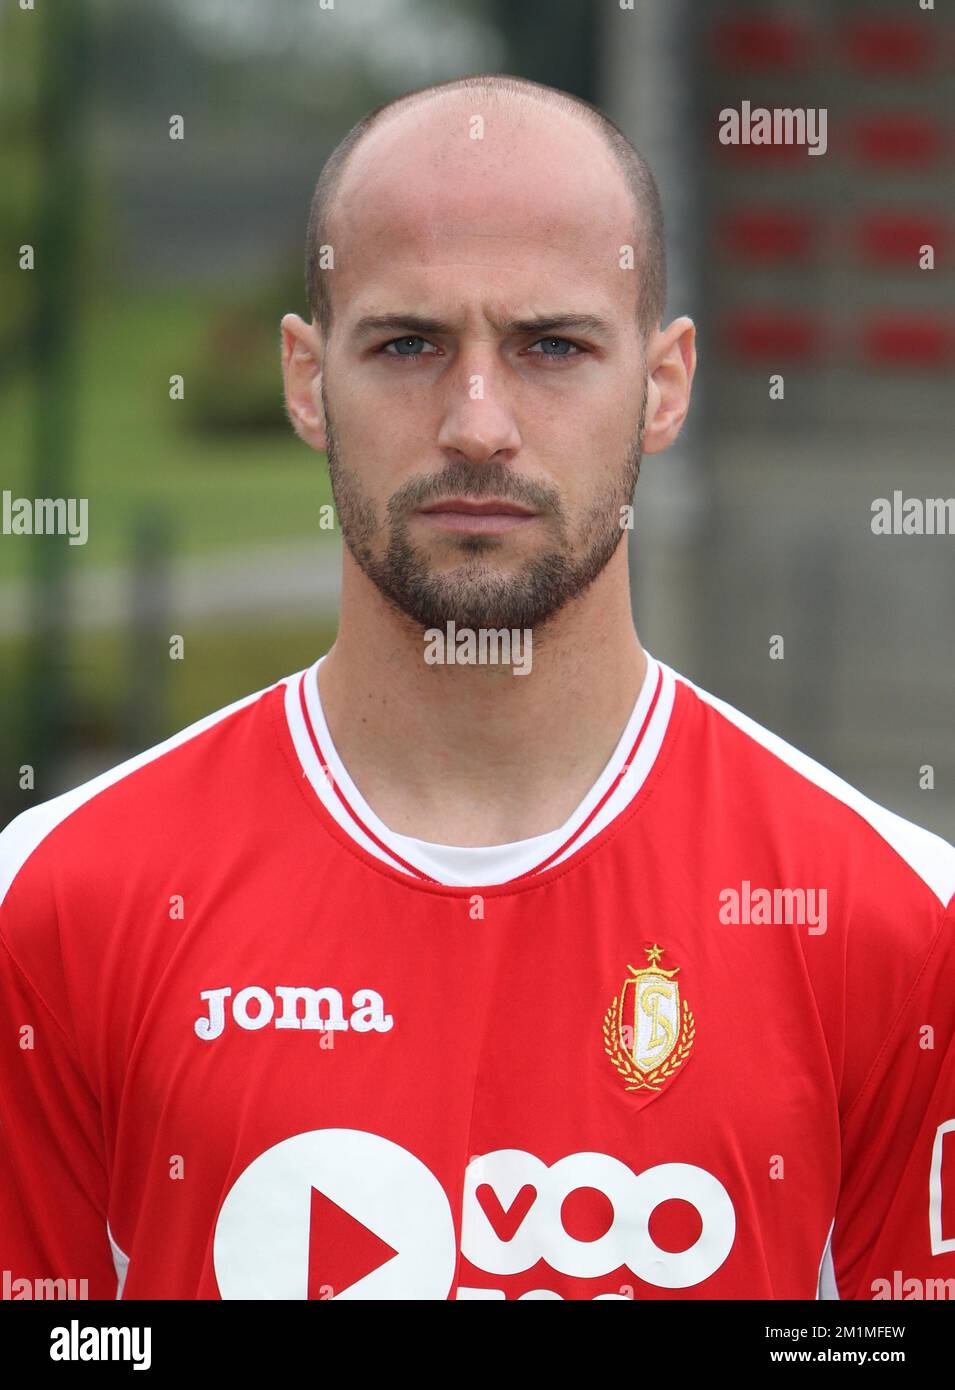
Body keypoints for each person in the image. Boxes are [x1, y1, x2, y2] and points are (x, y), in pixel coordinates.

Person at [1, 74, 953, 1302]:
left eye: (552, 346)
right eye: (408, 344)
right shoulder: (56, 903)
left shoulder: (896, 926)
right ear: (306, 378)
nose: (477, 423)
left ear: (664, 386)